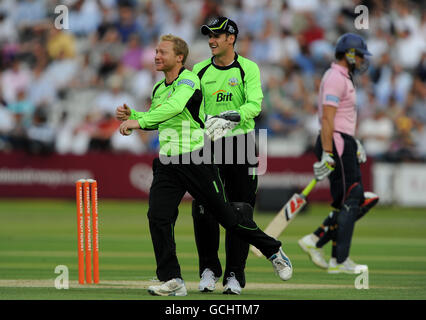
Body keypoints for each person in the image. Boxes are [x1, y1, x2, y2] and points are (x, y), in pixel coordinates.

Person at [115, 34, 292, 296]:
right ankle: (172, 278)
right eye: (156, 51)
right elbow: (159, 119)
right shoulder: (159, 87)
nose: (156, 56)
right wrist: (136, 117)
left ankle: (272, 249)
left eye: (162, 52)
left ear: (179, 57)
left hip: (196, 158)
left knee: (229, 217)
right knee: (158, 216)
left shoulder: (189, 80)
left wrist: (137, 122)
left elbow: (175, 108)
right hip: (167, 161)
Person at [190, 17, 262, 295]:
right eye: (209, 35)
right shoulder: (198, 70)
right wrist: (207, 120)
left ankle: (234, 275)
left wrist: (235, 116)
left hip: (241, 145)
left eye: (217, 35)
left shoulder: (248, 68)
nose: (211, 40)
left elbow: (255, 103)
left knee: (240, 210)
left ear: (231, 38)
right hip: (209, 145)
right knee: (203, 208)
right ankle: (208, 270)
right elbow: (191, 107)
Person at [298, 33, 379, 274]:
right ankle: (340, 260)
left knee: (353, 200)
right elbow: (327, 119)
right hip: (336, 143)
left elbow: (341, 119)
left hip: (344, 141)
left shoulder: (343, 77)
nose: (363, 60)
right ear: (350, 54)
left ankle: (315, 241)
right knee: (352, 199)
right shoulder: (335, 78)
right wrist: (328, 152)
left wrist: (354, 142)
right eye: (361, 55)